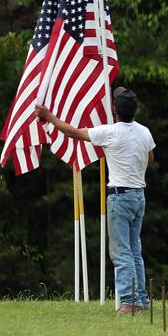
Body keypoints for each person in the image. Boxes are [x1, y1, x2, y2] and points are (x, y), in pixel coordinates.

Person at [38, 87, 155, 313]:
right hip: (139, 196)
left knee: (121, 252)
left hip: (120, 198)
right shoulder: (145, 132)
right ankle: (140, 300)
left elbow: (73, 132)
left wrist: (49, 117)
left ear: (114, 109)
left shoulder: (110, 132)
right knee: (134, 250)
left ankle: (130, 302)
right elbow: (150, 158)